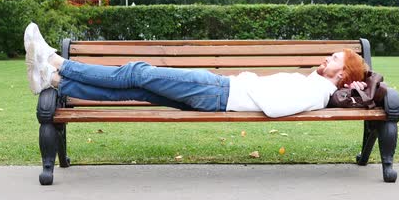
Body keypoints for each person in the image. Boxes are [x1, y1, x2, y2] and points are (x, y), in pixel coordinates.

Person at [24, 23, 368, 118]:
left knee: (139, 72)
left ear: (344, 75)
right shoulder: (316, 86)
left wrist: (249, 84)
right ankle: (54, 82)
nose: (328, 58)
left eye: (335, 58)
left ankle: (56, 62)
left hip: (220, 91)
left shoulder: (315, 91)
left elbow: (276, 107)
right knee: (138, 89)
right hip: (219, 91)